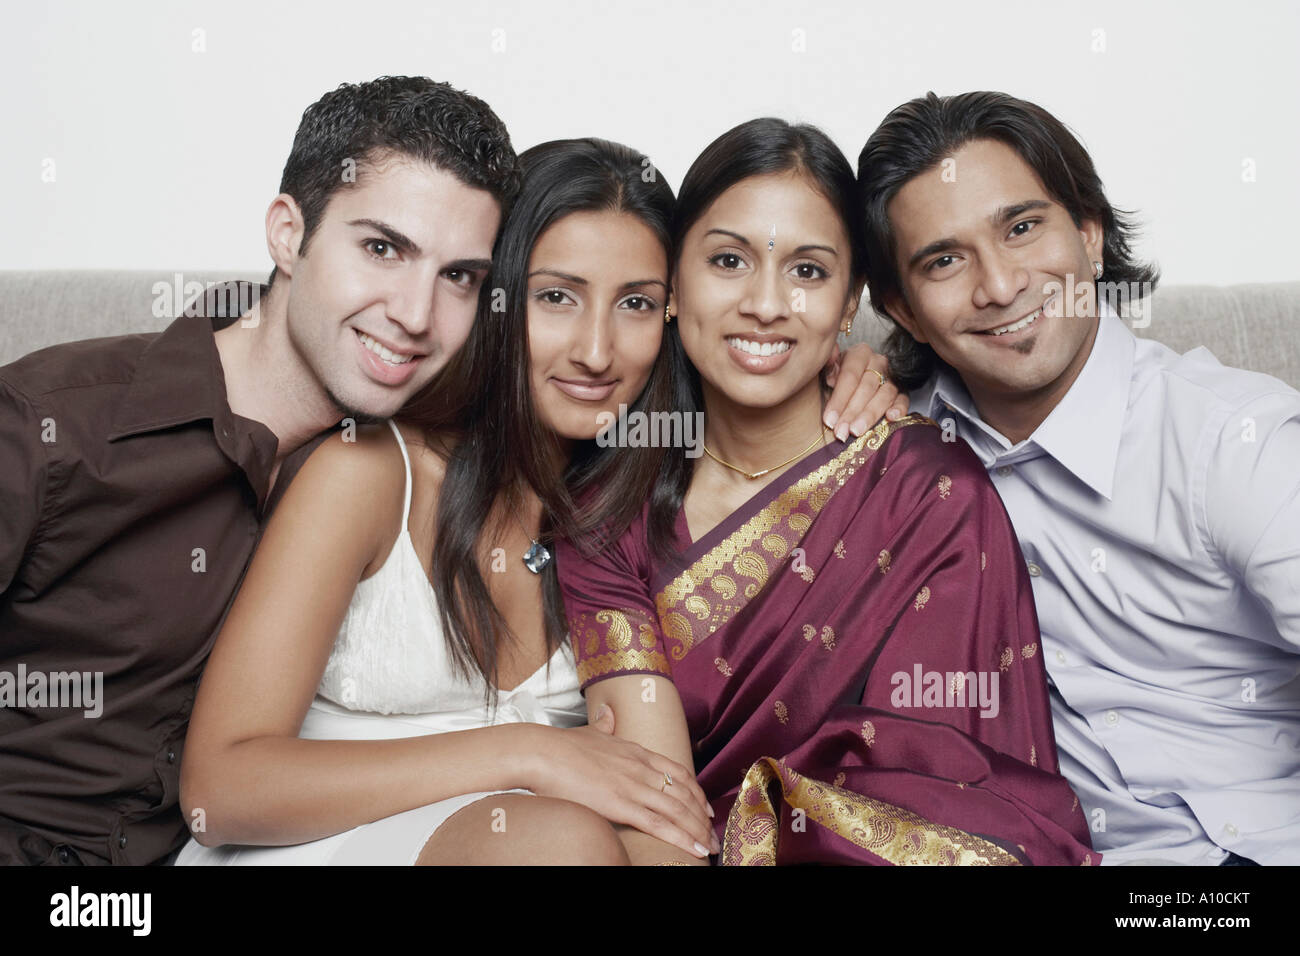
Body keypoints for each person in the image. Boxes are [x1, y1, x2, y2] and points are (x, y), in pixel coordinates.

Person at [177, 137, 897, 865]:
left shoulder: (637, 513)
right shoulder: (372, 473)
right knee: (560, 844)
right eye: (556, 297)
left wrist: (855, 366)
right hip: (306, 848)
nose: (594, 350)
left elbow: (659, 804)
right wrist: (527, 754)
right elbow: (220, 788)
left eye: (636, 304)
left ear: (676, 312)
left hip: (535, 852)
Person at [0, 76, 515, 865]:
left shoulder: (392, 475)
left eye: (459, 278)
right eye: (382, 249)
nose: (416, 316)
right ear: (286, 232)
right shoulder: (53, 421)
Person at [557, 117, 1097, 866]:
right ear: (672, 285)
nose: (767, 305)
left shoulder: (927, 494)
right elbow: (651, 805)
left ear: (851, 306)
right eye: (728, 261)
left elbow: (945, 795)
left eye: (808, 271)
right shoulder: (607, 506)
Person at [855, 91, 1300, 864]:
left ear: (1090, 237)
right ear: (904, 308)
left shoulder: (1235, 444)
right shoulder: (900, 448)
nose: (999, 286)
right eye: (945, 260)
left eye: (1022, 228)